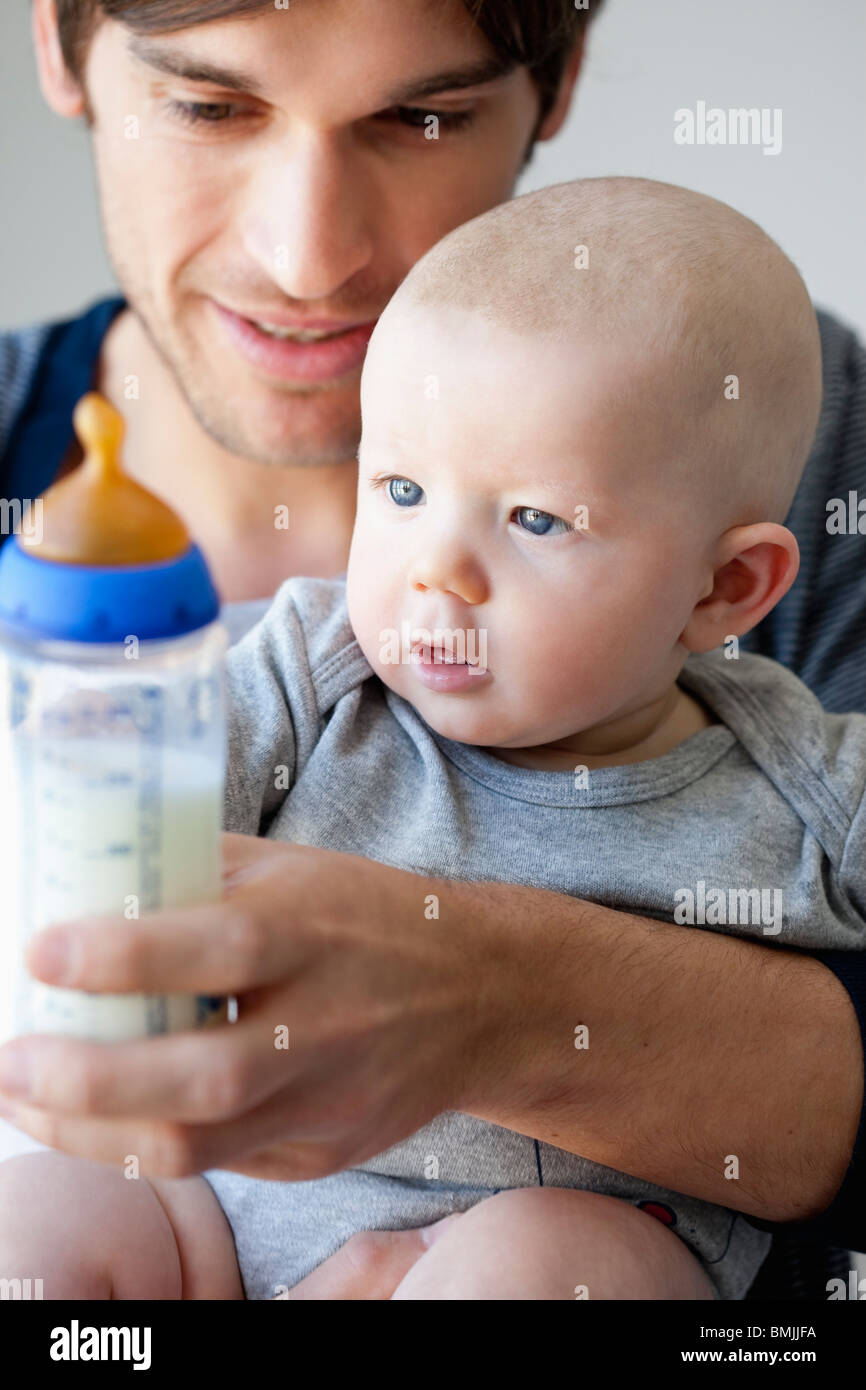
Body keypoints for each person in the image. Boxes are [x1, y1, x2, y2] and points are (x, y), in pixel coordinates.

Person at [0, 0, 864, 1300]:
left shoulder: (767, 428)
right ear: (57, 47)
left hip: (541, 1240)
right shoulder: (304, 664)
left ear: (728, 583)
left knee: (549, 1266)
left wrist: (501, 1004)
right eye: (210, 105)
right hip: (212, 1226)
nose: (306, 256)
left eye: (421, 116)